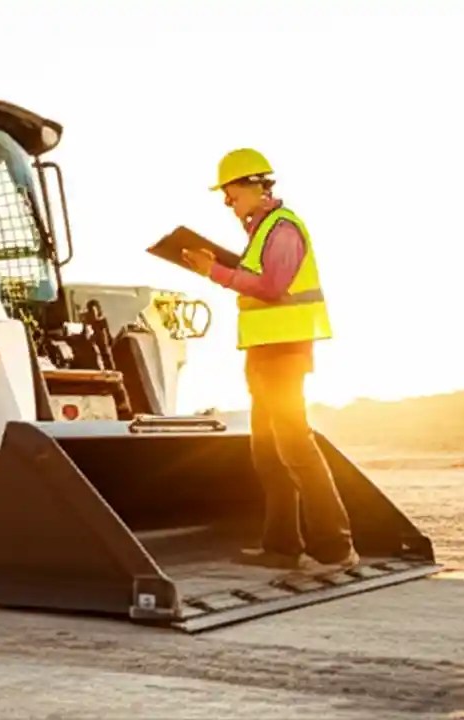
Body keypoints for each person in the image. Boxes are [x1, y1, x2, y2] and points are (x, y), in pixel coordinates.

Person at [181, 148, 359, 573]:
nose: (228, 203)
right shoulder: (261, 233)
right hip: (264, 353)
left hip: (285, 353)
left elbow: (272, 285)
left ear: (257, 186)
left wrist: (214, 272)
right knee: (267, 450)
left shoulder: (282, 228)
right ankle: (282, 546)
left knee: (295, 445)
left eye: (232, 193)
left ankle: (336, 547)